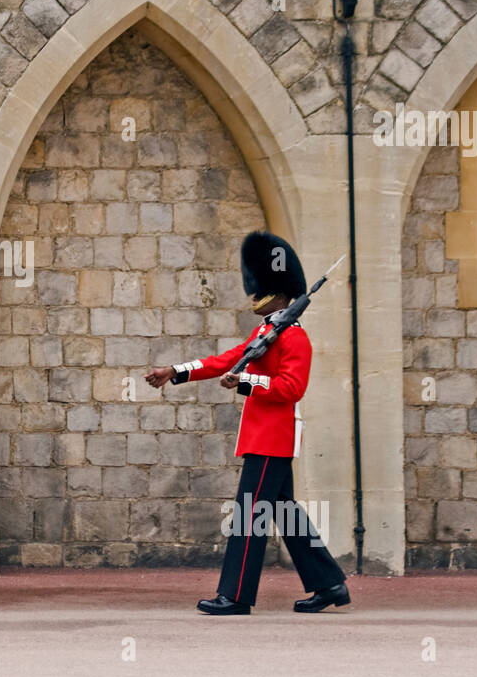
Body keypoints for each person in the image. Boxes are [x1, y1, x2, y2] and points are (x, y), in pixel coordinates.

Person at [144, 231, 350, 615]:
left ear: (280, 292)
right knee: (284, 512)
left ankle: (236, 595)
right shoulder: (267, 333)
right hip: (262, 438)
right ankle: (330, 584)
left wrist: (248, 382)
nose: (253, 296)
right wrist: (175, 371)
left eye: (260, 290)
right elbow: (224, 360)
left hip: (273, 440)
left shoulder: (294, 339)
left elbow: (292, 388)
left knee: (249, 516)